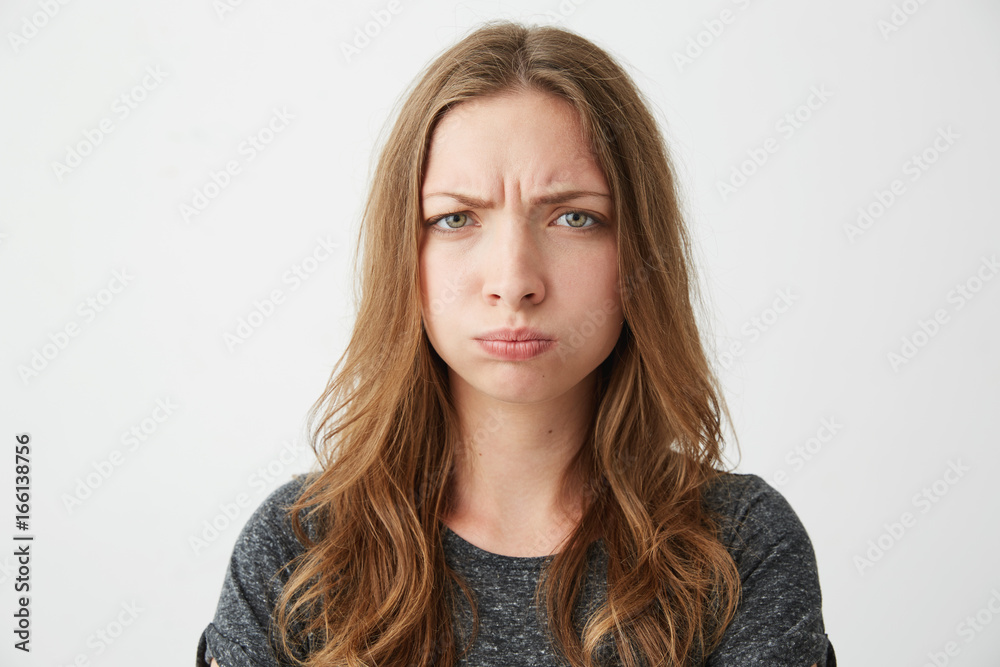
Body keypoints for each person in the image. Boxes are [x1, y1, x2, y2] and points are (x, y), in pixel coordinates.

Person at [197, 19, 835, 667]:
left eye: (573, 217)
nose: (513, 281)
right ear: (403, 258)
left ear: (638, 251)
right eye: (455, 218)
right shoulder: (298, 550)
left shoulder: (741, 546)